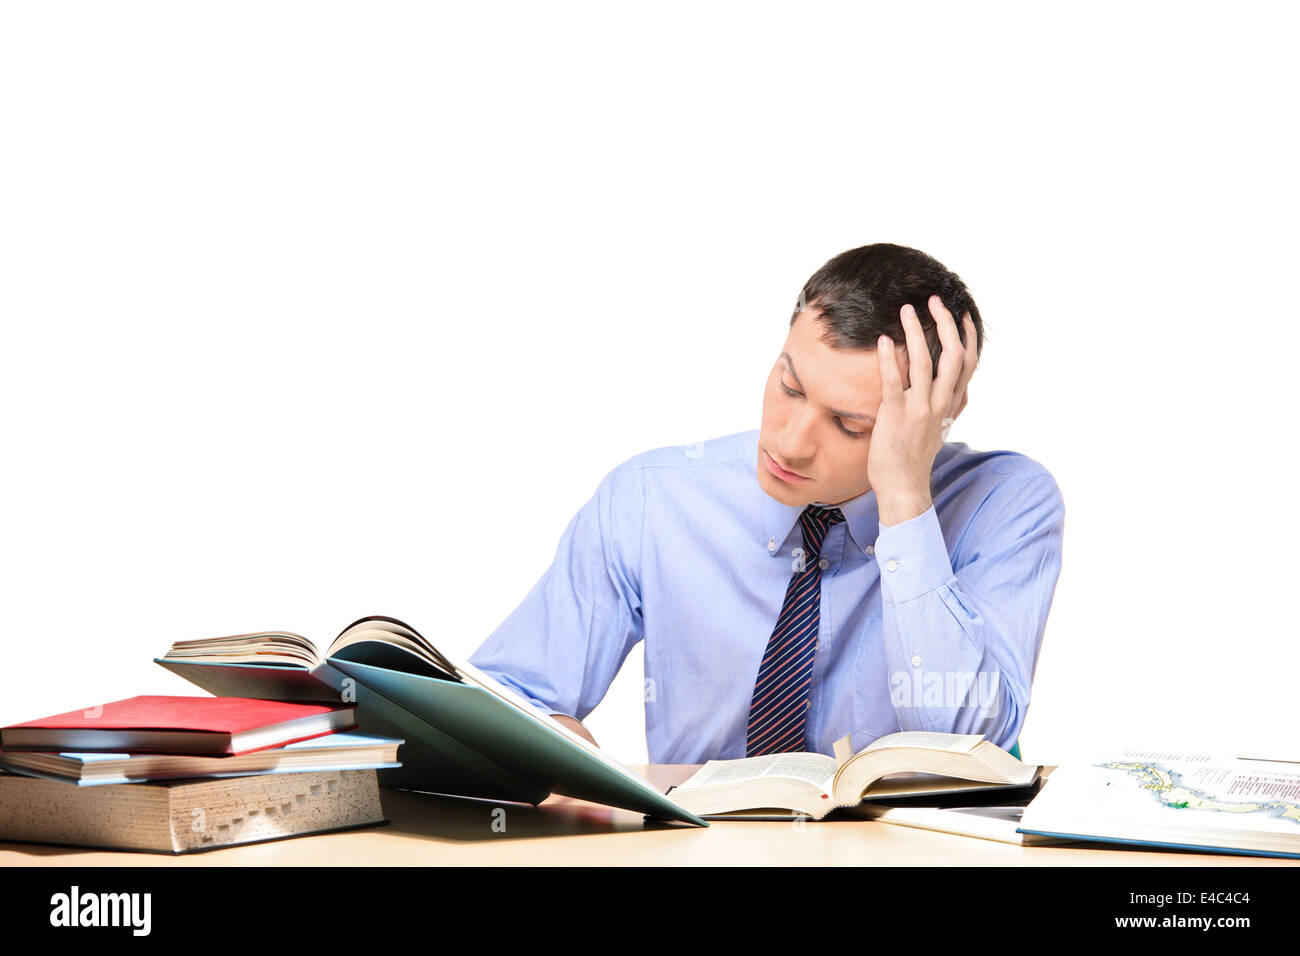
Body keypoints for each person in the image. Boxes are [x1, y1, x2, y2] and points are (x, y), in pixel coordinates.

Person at [470, 243, 1065, 763]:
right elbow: (499, 701)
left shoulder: (1005, 505)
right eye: (790, 386)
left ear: (930, 418)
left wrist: (905, 498)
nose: (789, 442)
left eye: (849, 424)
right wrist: (549, 745)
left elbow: (968, 746)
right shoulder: (651, 499)